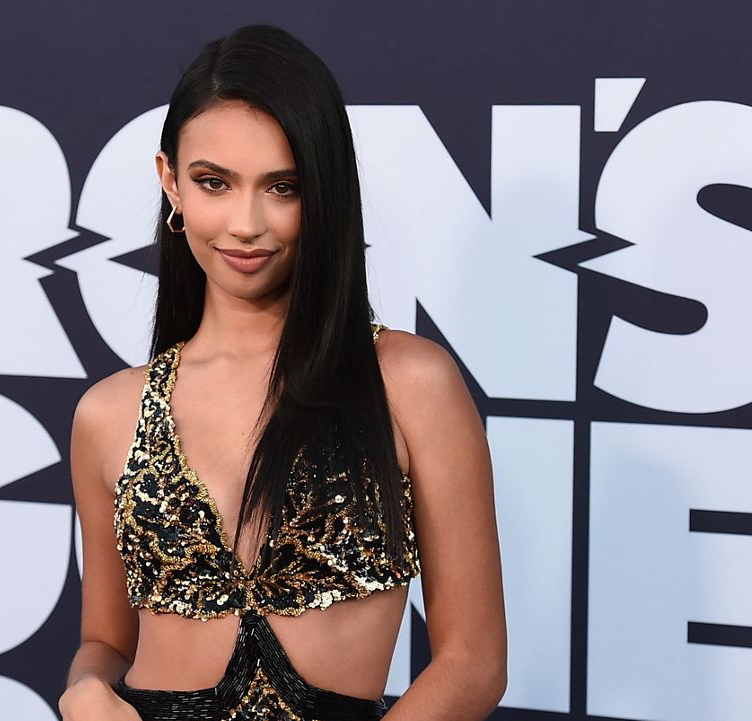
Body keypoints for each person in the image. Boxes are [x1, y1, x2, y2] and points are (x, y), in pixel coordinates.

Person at [59, 24, 505, 721]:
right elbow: (105, 641)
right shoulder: (108, 413)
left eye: (283, 186)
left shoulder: (410, 383)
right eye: (213, 182)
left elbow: (473, 662)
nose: (246, 222)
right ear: (170, 182)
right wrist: (84, 691)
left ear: (323, 191)